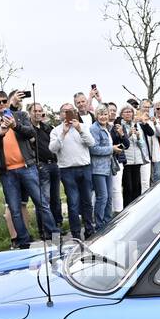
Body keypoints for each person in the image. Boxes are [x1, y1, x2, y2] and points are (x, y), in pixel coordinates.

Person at [0, 90, 57, 249]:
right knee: (15, 210)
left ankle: (55, 237)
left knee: (42, 203)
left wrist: (15, 126)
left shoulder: (21, 116)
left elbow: (31, 133)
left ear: (8, 102)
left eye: (4, 101)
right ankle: (24, 243)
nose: (2, 104)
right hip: (7, 172)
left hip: (27, 167)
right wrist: (0, 134)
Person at [50, 102, 96, 238]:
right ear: (60, 115)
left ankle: (89, 230)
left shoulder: (82, 126)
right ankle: (76, 233)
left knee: (87, 201)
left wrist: (79, 130)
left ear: (75, 113)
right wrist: (63, 133)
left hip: (85, 167)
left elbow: (91, 143)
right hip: (67, 170)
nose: (67, 113)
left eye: (70, 111)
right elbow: (52, 149)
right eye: (64, 111)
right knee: (73, 202)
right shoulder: (56, 130)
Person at [29, 103, 62, 231]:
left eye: (40, 111)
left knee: (55, 198)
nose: (38, 113)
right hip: (41, 166)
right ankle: (45, 230)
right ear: (30, 113)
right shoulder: (28, 129)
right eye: (35, 111)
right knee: (44, 200)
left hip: (54, 164)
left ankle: (57, 227)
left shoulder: (47, 128)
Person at [118, 104, 155, 206]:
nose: (128, 114)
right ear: (121, 114)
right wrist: (128, 134)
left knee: (137, 186)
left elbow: (142, 144)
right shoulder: (119, 126)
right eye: (126, 112)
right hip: (127, 160)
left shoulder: (137, 125)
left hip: (137, 159)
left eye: (130, 112)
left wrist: (138, 137)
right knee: (128, 187)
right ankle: (126, 209)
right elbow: (122, 143)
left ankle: (136, 208)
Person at [89, 107, 117, 226]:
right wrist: (112, 149)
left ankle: (107, 221)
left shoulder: (108, 128)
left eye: (105, 114)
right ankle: (99, 225)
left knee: (109, 196)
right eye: (100, 114)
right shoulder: (94, 129)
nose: (103, 116)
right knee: (102, 197)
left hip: (108, 166)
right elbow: (93, 149)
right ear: (96, 115)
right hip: (98, 168)